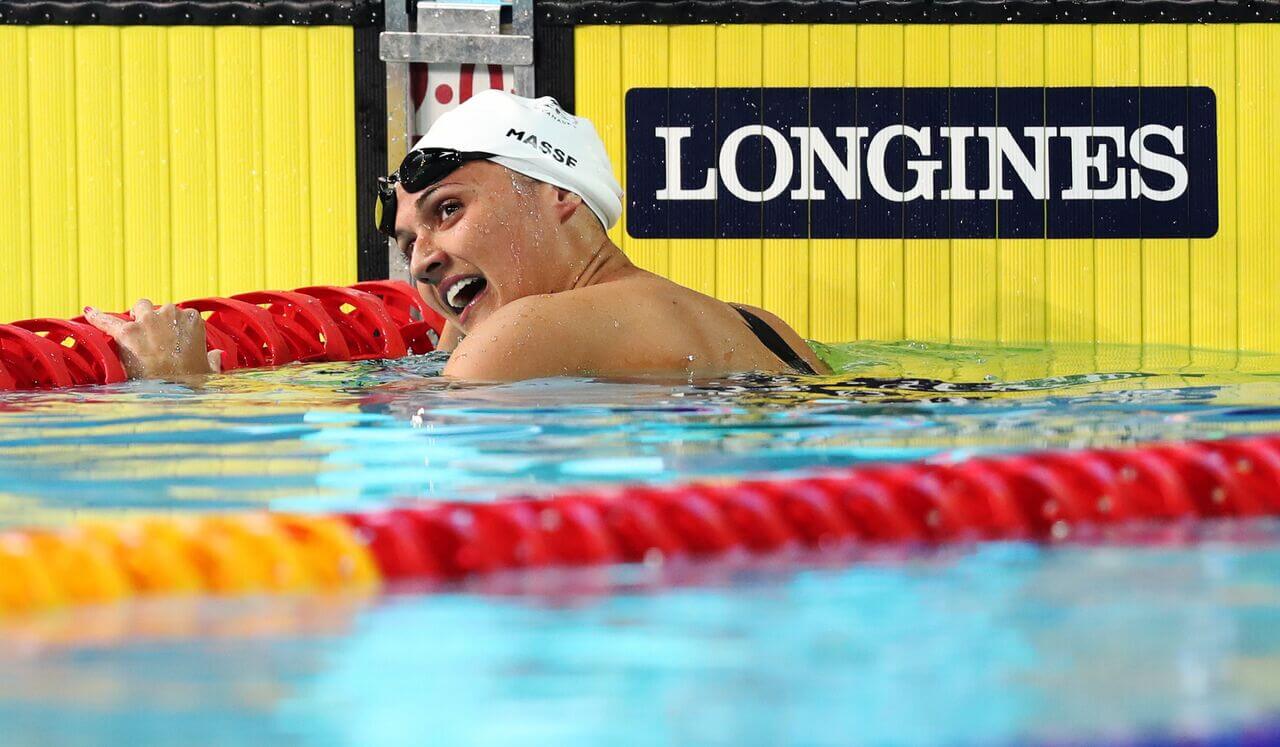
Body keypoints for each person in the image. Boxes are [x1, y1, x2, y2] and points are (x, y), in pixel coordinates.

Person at [85, 91, 829, 382]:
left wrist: (175, 389)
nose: (421, 260)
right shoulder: (759, 324)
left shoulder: (526, 331)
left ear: (560, 196)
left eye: (448, 211)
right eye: (409, 240)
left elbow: (425, 477)